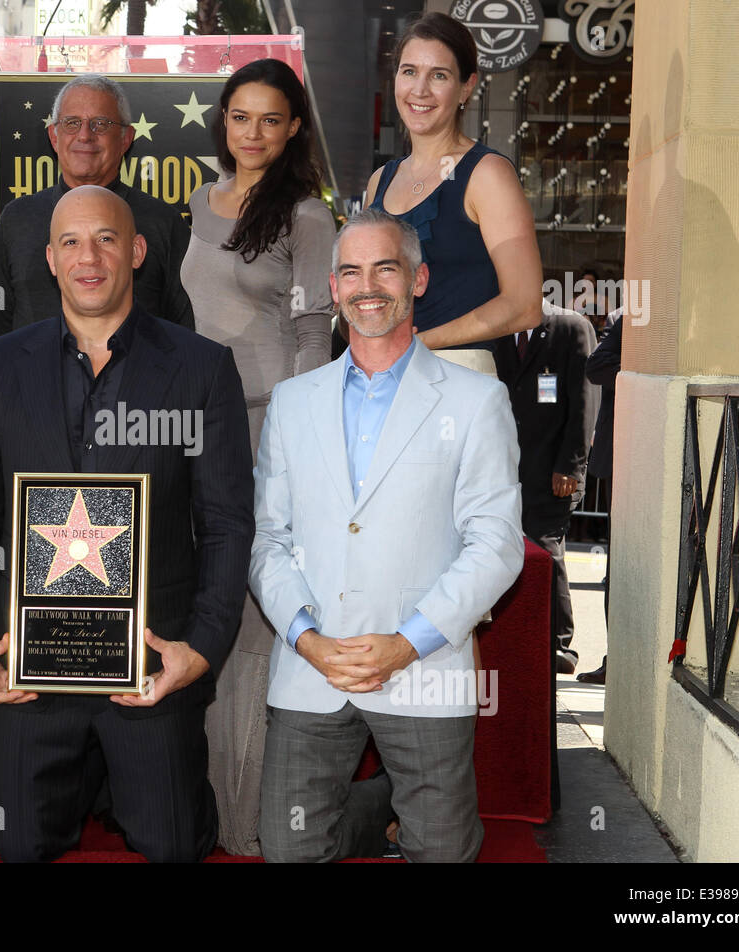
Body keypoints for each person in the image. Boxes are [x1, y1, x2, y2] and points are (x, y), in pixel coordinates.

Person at [0, 186, 254, 863]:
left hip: (151, 663)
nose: (90, 257)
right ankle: (84, 783)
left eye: (107, 239)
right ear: (50, 259)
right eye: (72, 243)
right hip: (30, 664)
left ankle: (123, 786)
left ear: (137, 251)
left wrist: (199, 648)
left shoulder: (201, 369)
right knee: (18, 844)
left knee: (175, 847)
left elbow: (227, 523)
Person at [250, 209, 523, 863]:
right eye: (350, 271)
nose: (366, 285)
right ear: (333, 287)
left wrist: (408, 643)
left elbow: (496, 543)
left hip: (424, 667)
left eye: (385, 268)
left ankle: (387, 812)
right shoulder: (293, 400)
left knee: (443, 850)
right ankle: (377, 809)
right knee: (287, 848)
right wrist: (307, 639)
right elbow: (268, 538)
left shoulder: (474, 401)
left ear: (418, 279)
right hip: (314, 666)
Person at [179, 57, 335, 856]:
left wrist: (300, 444)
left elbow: (315, 334)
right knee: (205, 604)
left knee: (252, 619)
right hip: (193, 431)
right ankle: (203, 808)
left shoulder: (307, 217)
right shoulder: (199, 205)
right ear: (224, 120)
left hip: (269, 428)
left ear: (294, 127)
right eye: (241, 116)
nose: (253, 132)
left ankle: (252, 820)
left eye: (271, 119)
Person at [364, 11, 541, 373]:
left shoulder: (487, 174)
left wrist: (418, 344)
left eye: (439, 75)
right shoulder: (379, 180)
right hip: (383, 375)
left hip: (457, 375)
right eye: (409, 71)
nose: (420, 90)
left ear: (466, 87)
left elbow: (525, 304)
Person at [0, 74, 194, 334]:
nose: (85, 136)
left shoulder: (165, 224)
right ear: (54, 136)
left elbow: (183, 330)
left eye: (100, 124)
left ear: (125, 138)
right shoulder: (16, 219)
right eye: (72, 123)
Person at [492, 300, 598, 674]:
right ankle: (518, 635)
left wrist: (570, 465)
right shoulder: (495, 328)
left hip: (552, 471)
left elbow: (584, 401)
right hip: (502, 469)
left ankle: (558, 644)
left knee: (545, 549)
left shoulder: (570, 328)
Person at [577, 307, 623, 685]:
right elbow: (598, 367)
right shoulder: (629, 318)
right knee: (620, 566)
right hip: (622, 460)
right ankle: (617, 658)